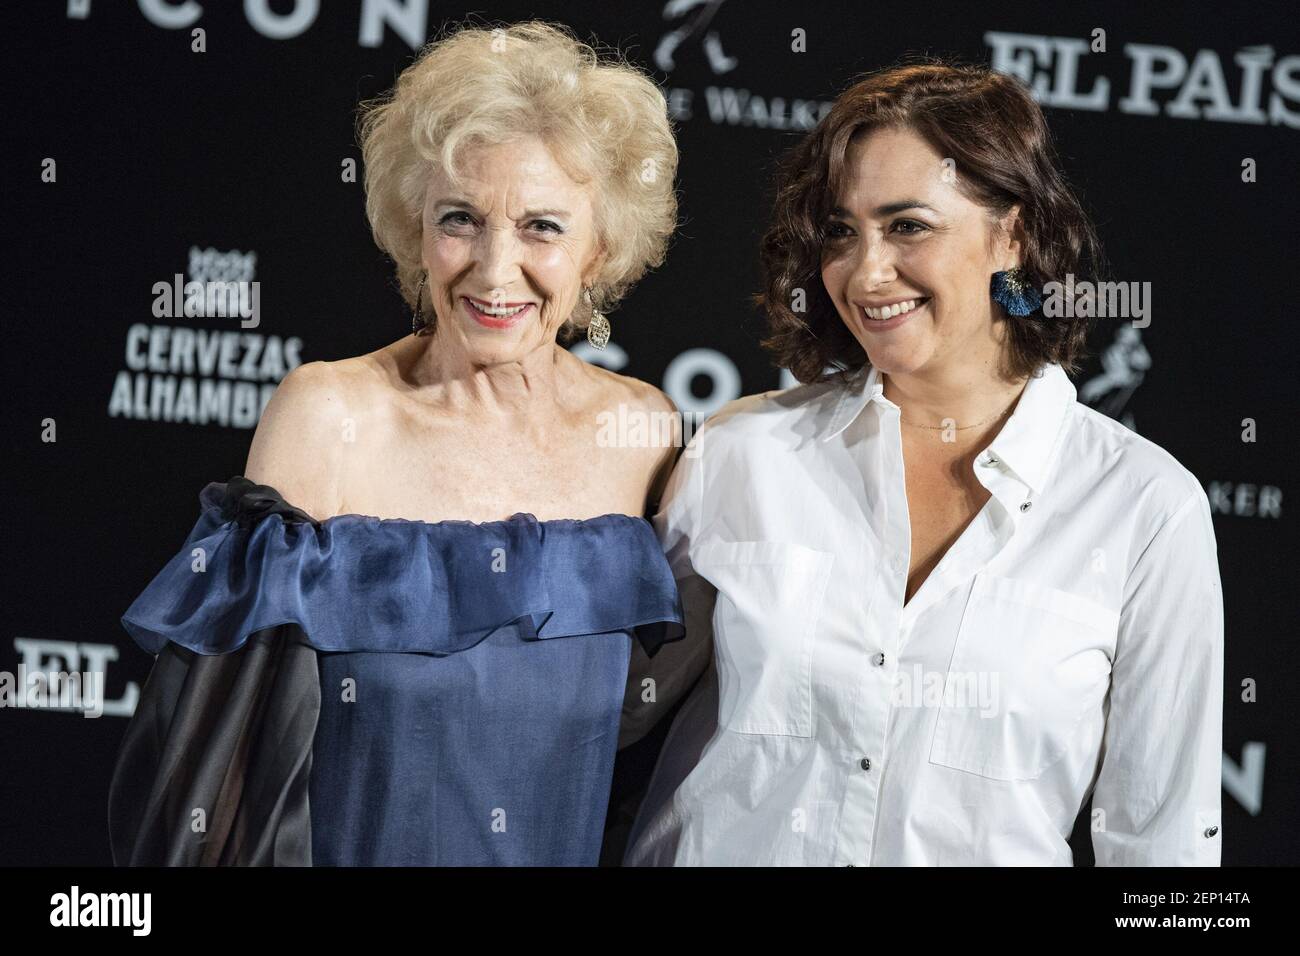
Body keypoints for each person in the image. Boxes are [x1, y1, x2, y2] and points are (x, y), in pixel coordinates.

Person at [108, 20, 686, 866]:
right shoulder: (329, 415)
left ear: (600, 249)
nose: (494, 271)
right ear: (414, 227)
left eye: (541, 228)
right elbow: (226, 766)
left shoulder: (644, 435)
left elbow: (649, 761)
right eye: (461, 219)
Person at [623, 61, 1223, 866]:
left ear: (1010, 234)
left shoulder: (1146, 508)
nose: (865, 273)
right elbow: (614, 710)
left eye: (908, 225)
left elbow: (1164, 842)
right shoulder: (743, 454)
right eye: (842, 231)